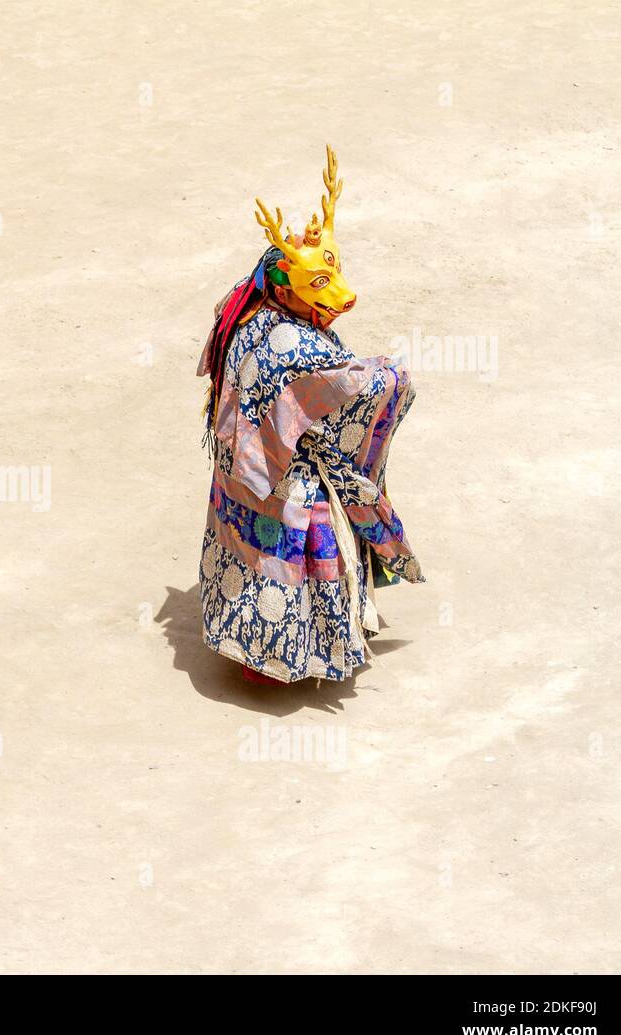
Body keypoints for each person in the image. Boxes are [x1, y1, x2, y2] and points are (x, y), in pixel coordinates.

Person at [196, 147, 423, 685]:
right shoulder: (300, 348)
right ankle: (287, 661)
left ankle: (243, 648)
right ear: (284, 288)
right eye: (319, 284)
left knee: (245, 556)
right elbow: (351, 391)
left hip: (241, 468)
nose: (341, 295)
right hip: (288, 475)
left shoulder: (245, 309)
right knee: (290, 555)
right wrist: (392, 379)